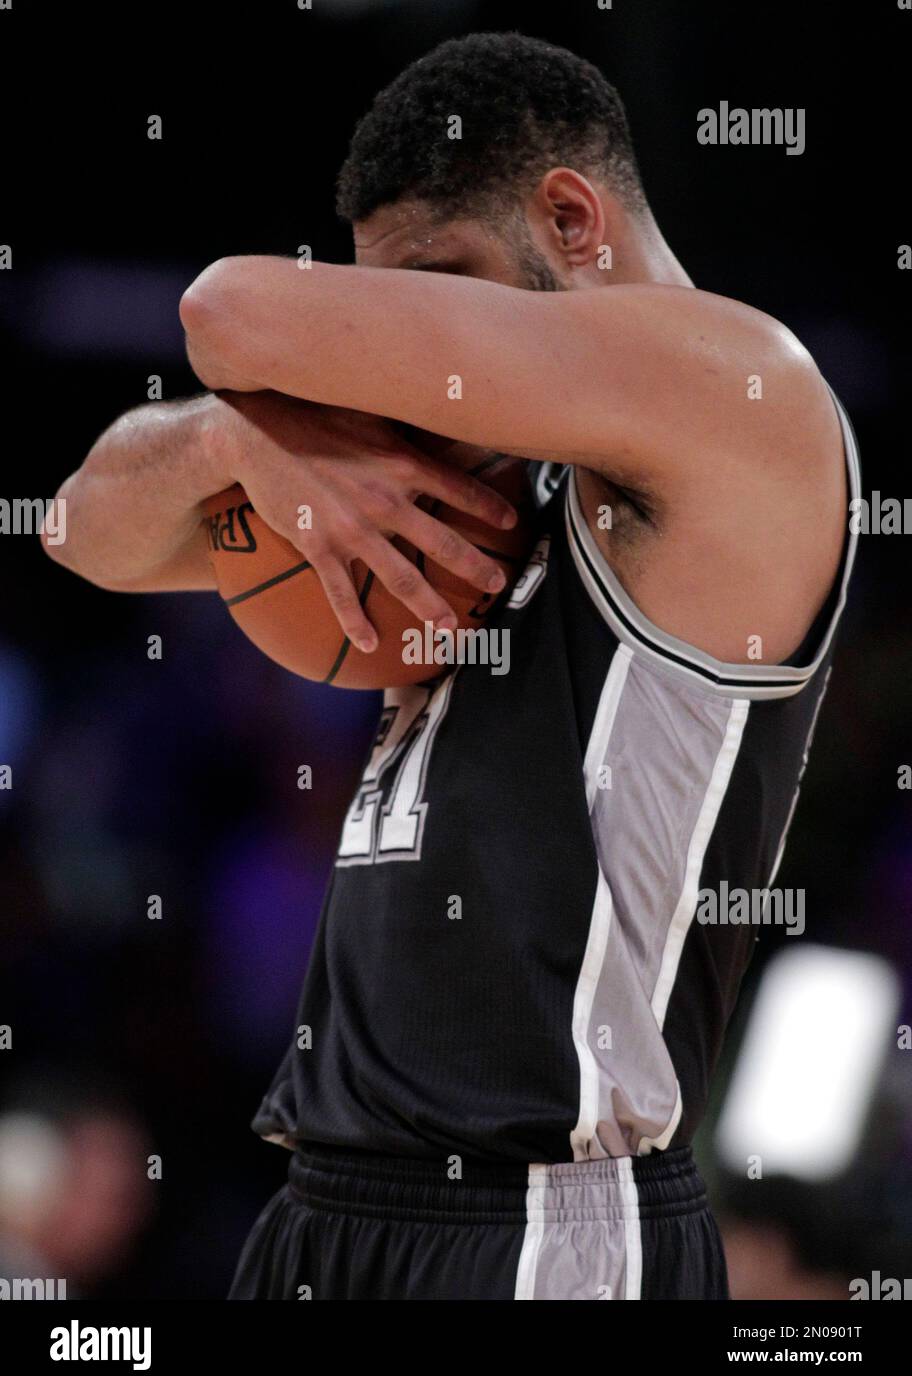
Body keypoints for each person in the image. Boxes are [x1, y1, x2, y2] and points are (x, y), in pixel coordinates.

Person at [45, 33, 859, 1300]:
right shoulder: (473, 468)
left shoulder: (743, 392)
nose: (395, 363)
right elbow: (81, 527)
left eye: (438, 288)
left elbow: (227, 309)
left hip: (547, 1221)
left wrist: (257, 395)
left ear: (573, 219)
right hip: (325, 1200)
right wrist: (232, 442)